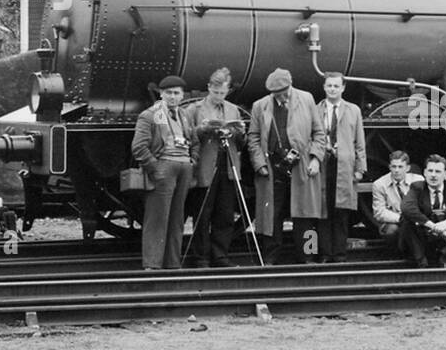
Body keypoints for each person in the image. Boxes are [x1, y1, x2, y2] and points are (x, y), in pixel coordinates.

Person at [246, 67, 326, 264]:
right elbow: (253, 137)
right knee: (271, 217)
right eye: (277, 94)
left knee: (307, 216)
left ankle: (309, 256)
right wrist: (259, 164)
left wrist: (316, 158)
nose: (282, 97)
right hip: (272, 168)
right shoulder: (260, 106)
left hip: (303, 167)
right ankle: (269, 259)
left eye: (284, 92)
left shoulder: (306, 99)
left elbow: (319, 133)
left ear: (291, 86)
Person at [132, 75, 199, 271]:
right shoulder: (150, 115)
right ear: (161, 94)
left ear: (182, 96)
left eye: (176, 93)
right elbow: (139, 147)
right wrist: (156, 168)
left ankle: (172, 263)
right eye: (168, 93)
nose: (172, 96)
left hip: (184, 168)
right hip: (164, 167)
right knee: (157, 217)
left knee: (177, 218)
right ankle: (152, 264)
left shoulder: (185, 115)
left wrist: (192, 161)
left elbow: (194, 141)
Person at [182, 67, 246, 268]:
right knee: (203, 214)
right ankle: (201, 256)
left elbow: (241, 143)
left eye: (223, 92)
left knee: (225, 214)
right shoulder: (194, 109)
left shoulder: (233, 109)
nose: (219, 96)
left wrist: (238, 132)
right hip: (205, 167)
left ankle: (220, 255)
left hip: (227, 165)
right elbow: (186, 136)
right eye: (216, 92)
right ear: (209, 88)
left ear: (228, 90)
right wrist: (203, 129)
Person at [317, 72, 366, 262]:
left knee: (341, 213)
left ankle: (339, 254)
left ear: (343, 88)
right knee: (322, 211)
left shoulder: (353, 110)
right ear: (324, 87)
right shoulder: (316, 109)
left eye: (336, 86)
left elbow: (359, 141)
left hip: (345, 165)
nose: (332, 89)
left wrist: (360, 168)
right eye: (329, 86)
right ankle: (322, 253)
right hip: (323, 164)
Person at [401, 154, 446, 267]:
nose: (433, 175)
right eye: (430, 171)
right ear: (425, 173)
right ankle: (421, 261)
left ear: (445, 174)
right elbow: (407, 207)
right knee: (406, 219)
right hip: (425, 234)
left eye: (438, 171)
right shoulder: (417, 187)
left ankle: (445, 259)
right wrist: (432, 226)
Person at [370, 150, 421, 257]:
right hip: (394, 222)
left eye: (400, 167)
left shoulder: (418, 181)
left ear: (407, 168)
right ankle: (395, 256)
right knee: (391, 230)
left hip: (415, 220)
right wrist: (401, 218)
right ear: (389, 167)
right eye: (394, 166)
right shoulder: (379, 184)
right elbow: (379, 212)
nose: (396, 170)